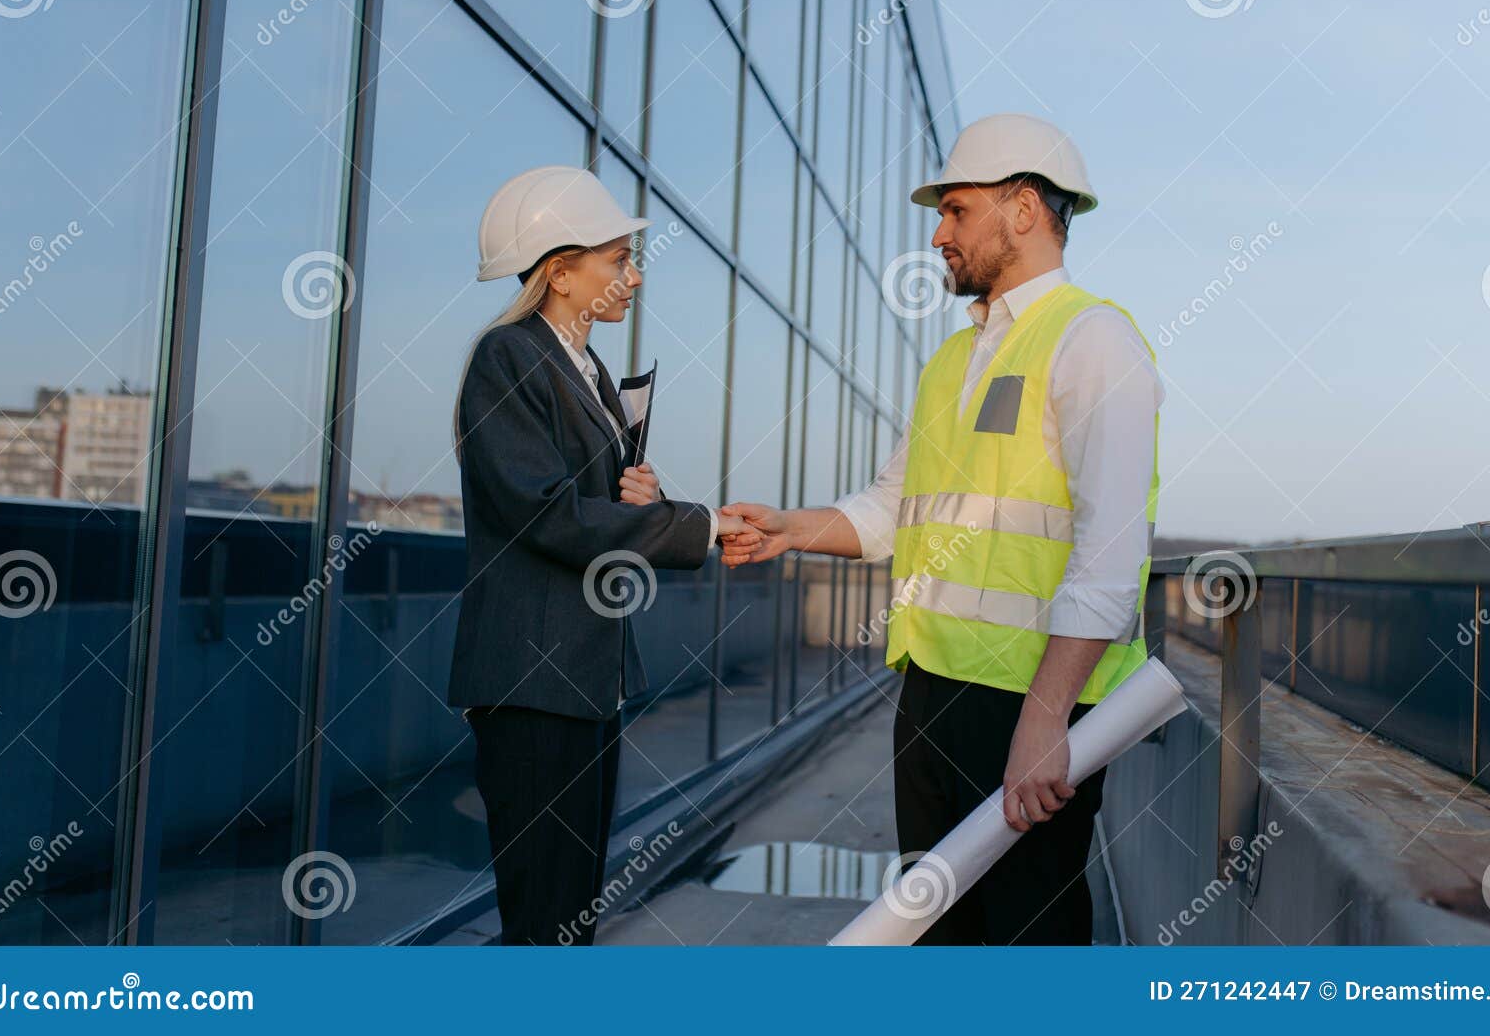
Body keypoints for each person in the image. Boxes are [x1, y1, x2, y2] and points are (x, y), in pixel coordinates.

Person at [721, 114, 1163, 945]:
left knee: (1028, 941)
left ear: (1024, 210)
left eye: (956, 210)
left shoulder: (1094, 340)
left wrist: (1044, 720)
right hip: (930, 694)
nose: (938, 233)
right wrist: (791, 528)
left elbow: (1110, 555)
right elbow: (894, 506)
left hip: (1029, 706)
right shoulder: (950, 363)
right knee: (938, 937)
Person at [449, 165, 761, 944]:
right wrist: (701, 525)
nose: (634, 275)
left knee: (571, 913)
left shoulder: (583, 367)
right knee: (543, 918)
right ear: (559, 271)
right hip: (531, 683)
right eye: (617, 259)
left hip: (583, 680)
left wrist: (641, 500)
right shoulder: (508, 357)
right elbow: (548, 516)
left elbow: (587, 504)